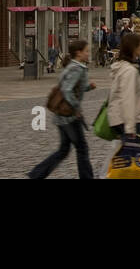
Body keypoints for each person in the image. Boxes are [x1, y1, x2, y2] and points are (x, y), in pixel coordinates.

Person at [28, 39, 95, 179]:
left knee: (64, 150)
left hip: (61, 116)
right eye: (87, 51)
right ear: (79, 53)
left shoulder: (71, 66)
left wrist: (88, 87)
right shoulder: (77, 68)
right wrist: (76, 107)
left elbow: (73, 86)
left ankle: (37, 174)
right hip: (70, 116)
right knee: (82, 148)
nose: (89, 54)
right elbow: (67, 89)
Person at [108, 32, 140, 140]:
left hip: (118, 119)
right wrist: (130, 129)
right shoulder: (129, 71)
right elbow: (127, 99)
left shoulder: (122, 66)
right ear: (134, 47)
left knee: (127, 154)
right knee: (136, 154)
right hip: (126, 120)